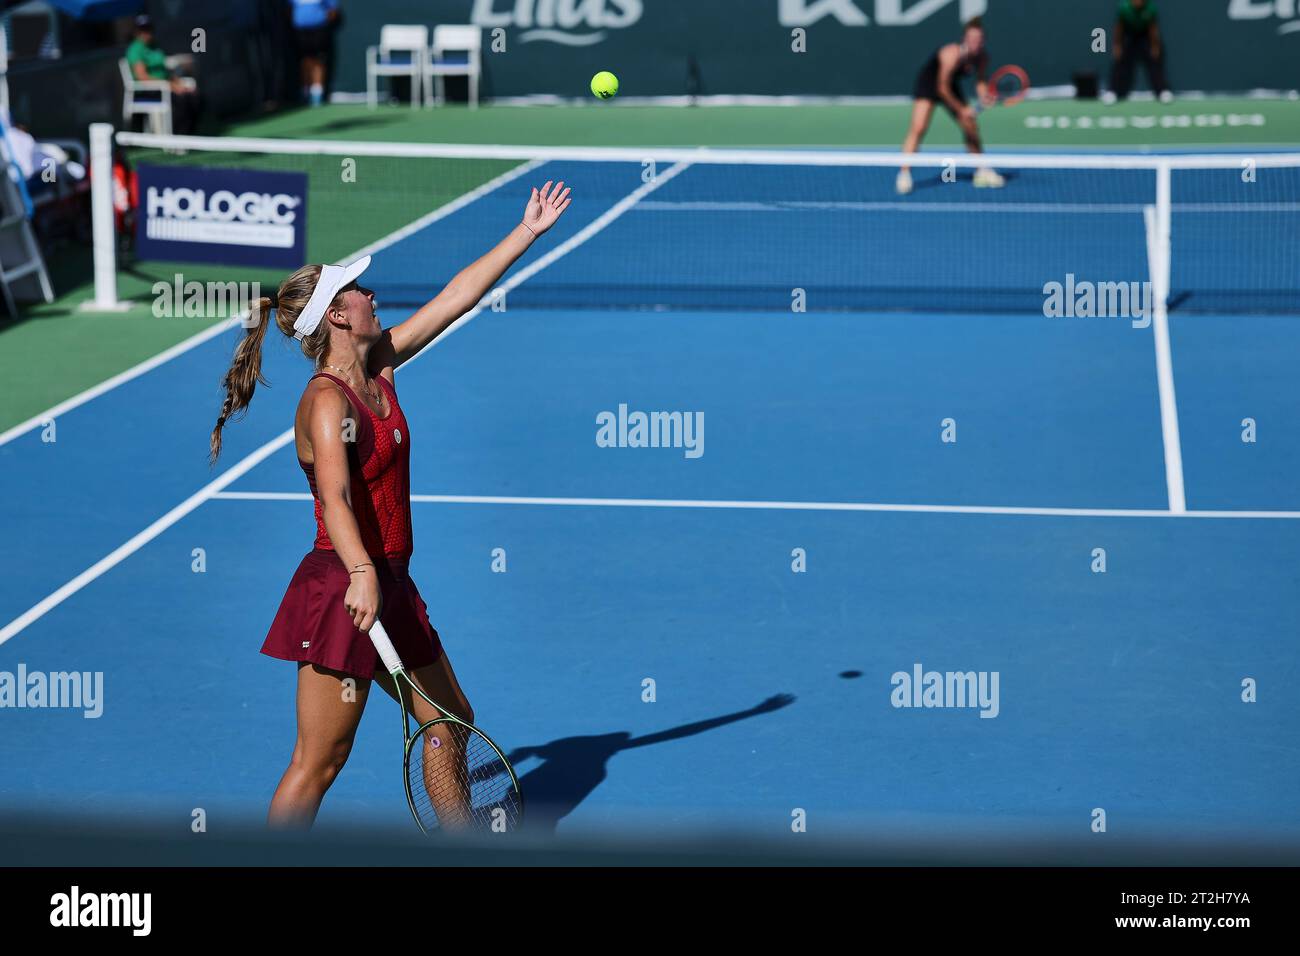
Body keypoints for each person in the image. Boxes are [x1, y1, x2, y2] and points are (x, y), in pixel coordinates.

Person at [209, 180, 571, 828]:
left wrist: (527, 232)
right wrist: (362, 573)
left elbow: (455, 299)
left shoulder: (381, 368)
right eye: (358, 290)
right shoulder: (325, 404)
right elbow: (337, 498)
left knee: (450, 722)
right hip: (345, 587)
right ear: (338, 317)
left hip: (390, 585)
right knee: (320, 761)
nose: (372, 295)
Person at [896, 17, 1004, 195]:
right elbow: (941, 87)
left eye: (979, 39)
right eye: (972, 39)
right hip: (930, 84)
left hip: (951, 85)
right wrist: (962, 109)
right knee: (918, 127)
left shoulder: (982, 57)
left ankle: (981, 170)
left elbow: (981, 81)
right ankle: (904, 173)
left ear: (983, 41)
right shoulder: (950, 54)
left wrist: (984, 95)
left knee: (970, 126)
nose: (975, 43)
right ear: (964, 39)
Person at [125, 15, 201, 135]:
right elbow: (142, 77)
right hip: (149, 90)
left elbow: (165, 72)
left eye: (148, 29)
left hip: (166, 85)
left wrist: (179, 83)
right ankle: (177, 137)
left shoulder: (156, 46)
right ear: (137, 32)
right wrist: (170, 85)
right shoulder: (135, 49)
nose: (146, 33)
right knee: (180, 100)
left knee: (193, 96)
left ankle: (190, 135)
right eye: (143, 30)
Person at [1104, 0, 1172, 104]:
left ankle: (1162, 92)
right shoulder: (1124, 8)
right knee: (1120, 62)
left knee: (1154, 62)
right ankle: (1112, 92)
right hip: (1129, 36)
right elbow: (1119, 28)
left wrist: (1155, 46)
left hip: (1145, 37)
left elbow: (1153, 29)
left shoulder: (1150, 8)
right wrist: (1117, 45)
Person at [291, 0, 340, 107]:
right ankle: (305, 92)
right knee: (305, 60)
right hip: (300, 30)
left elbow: (333, 10)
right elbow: (290, 9)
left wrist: (322, 22)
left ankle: (317, 93)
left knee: (319, 60)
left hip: (319, 29)